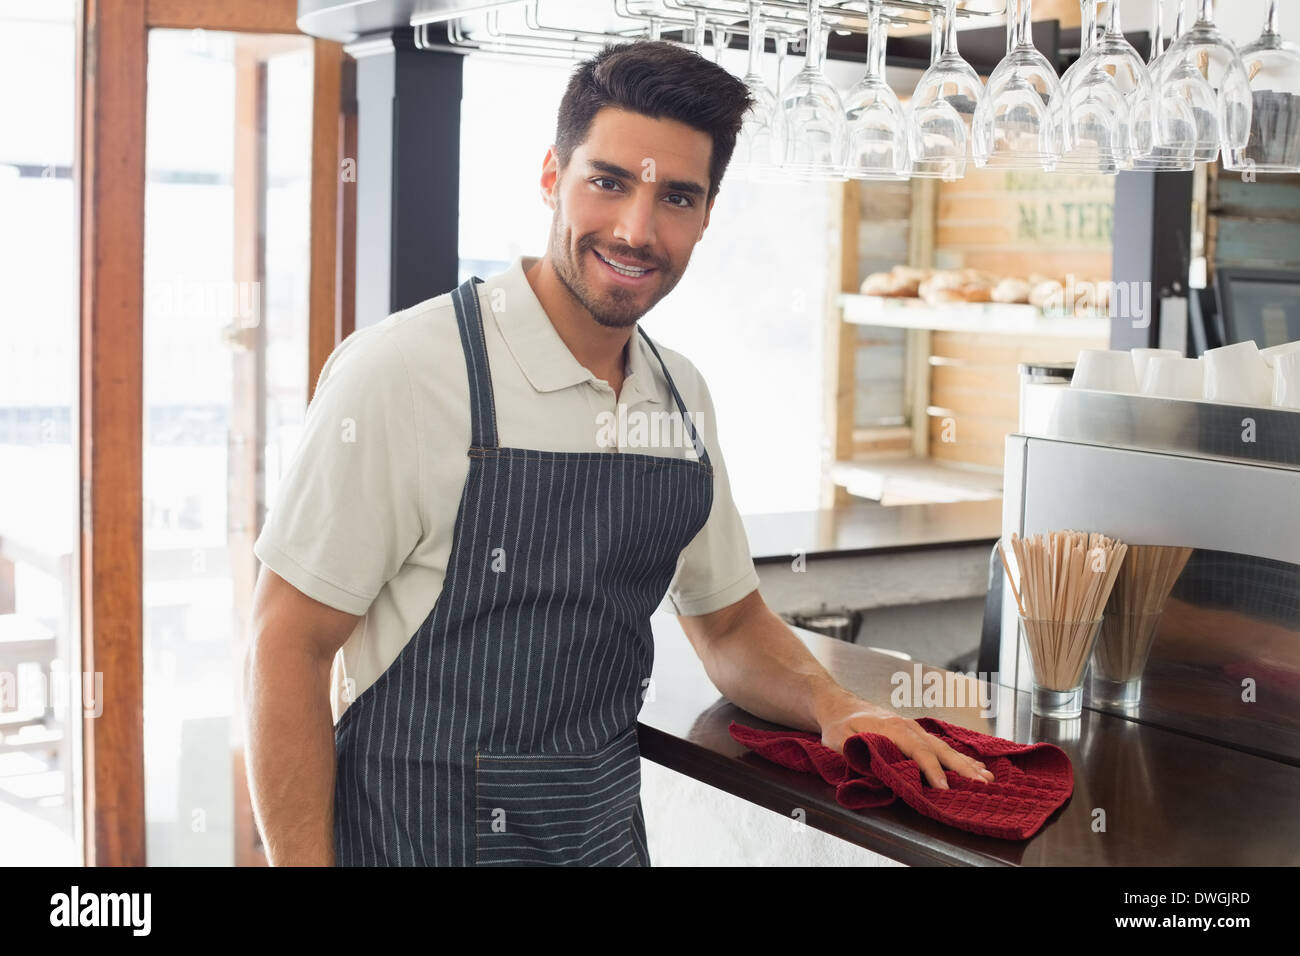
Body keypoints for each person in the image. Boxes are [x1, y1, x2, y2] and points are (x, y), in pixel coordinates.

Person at [244, 39, 993, 868]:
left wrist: (835, 705)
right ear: (550, 176)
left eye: (676, 196)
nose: (637, 230)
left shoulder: (681, 397)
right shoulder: (406, 374)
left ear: (707, 215)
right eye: (608, 181)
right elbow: (286, 645)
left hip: (601, 843)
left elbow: (731, 622)